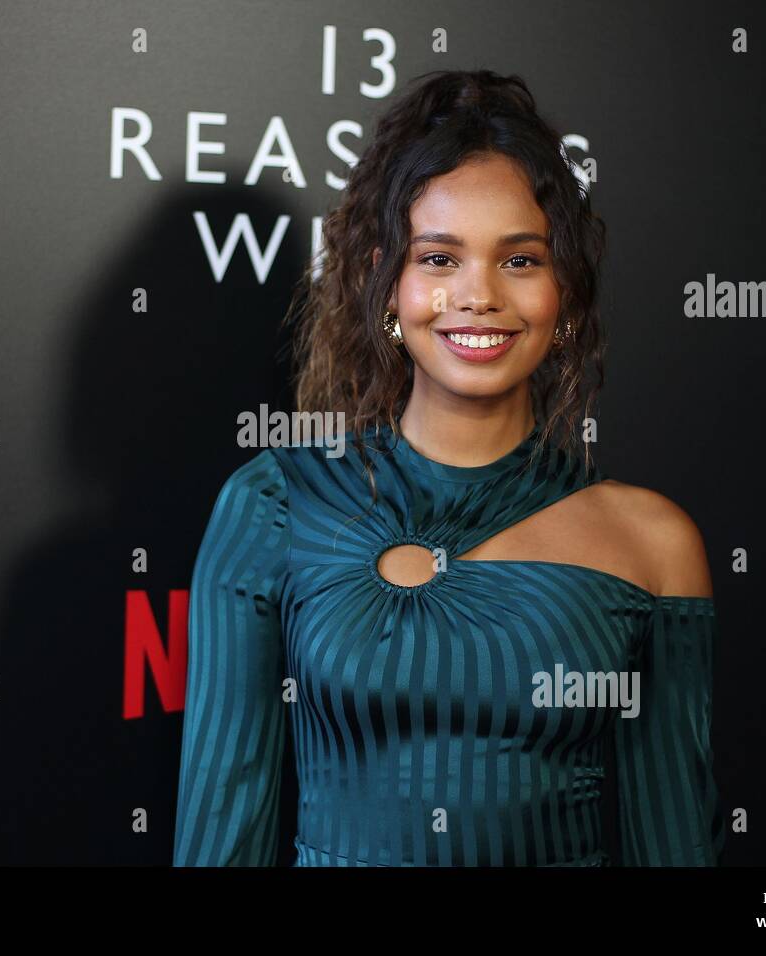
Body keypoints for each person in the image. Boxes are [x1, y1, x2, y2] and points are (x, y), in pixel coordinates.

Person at [173, 69, 726, 866]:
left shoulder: (653, 543)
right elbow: (220, 839)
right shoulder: (275, 506)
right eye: (438, 259)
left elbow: (678, 849)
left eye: (521, 261)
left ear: (565, 296)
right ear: (385, 283)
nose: (478, 295)